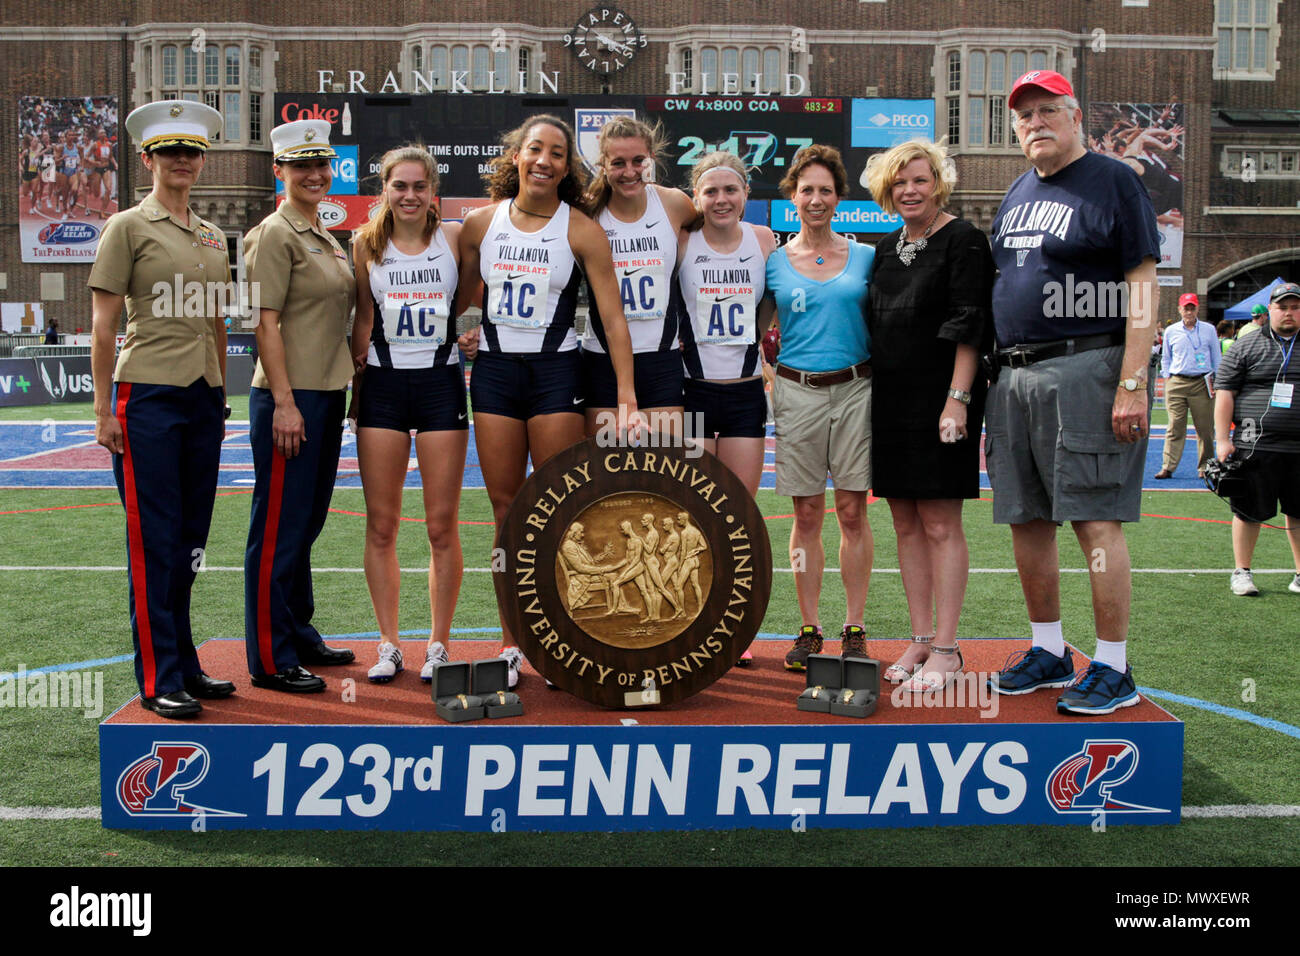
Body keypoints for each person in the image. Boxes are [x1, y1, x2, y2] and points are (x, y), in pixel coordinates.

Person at [985, 70, 1161, 715]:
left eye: (1046, 110)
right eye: (1023, 114)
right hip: (1015, 374)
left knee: (1094, 517)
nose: (1034, 122)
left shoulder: (1113, 179)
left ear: (1075, 114)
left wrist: (1134, 381)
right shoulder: (1017, 191)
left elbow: (1142, 281)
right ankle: (1050, 649)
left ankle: (1113, 665)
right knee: (1027, 518)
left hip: (1087, 365)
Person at [455, 114, 641, 688]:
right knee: (506, 510)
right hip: (493, 378)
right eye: (535, 149)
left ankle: (563, 635)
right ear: (517, 156)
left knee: (561, 509)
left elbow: (613, 318)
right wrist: (466, 329)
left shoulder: (580, 228)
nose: (544, 160)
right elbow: (463, 298)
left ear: (566, 166)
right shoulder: (479, 225)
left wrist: (628, 396)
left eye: (557, 153)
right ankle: (513, 640)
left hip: (557, 374)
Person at [88, 100, 234, 718]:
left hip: (201, 397)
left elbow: (217, 320)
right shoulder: (126, 226)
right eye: (170, 150)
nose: (183, 160)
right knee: (155, 541)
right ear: (147, 158)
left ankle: (184, 661)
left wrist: (222, 389)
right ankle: (157, 675)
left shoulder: (211, 234)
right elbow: (101, 324)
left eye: (192, 151)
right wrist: (103, 411)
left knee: (190, 539)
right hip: (145, 394)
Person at [864, 138, 994, 692]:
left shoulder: (964, 241)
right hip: (890, 399)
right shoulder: (886, 247)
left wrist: (957, 401)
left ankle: (947, 648)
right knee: (904, 522)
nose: (909, 190)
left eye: (919, 180)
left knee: (941, 522)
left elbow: (971, 321)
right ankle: (919, 638)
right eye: (899, 182)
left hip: (944, 399)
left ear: (938, 183)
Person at [243, 119, 357, 693]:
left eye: (322, 165)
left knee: (306, 523)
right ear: (279, 171)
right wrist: (284, 404)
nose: (315, 174)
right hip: (290, 397)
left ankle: (297, 627)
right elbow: (264, 324)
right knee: (280, 527)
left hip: (325, 392)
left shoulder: (322, 234)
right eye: (301, 166)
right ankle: (269, 655)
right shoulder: (274, 233)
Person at [349, 146, 471, 683]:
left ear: (433, 192)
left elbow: (472, 296)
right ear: (386, 190)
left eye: (419, 186)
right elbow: (363, 315)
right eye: (400, 185)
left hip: (441, 384)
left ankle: (438, 643)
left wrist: (471, 334)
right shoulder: (364, 244)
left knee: (442, 526)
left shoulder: (455, 238)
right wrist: (354, 383)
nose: (410, 195)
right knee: (382, 524)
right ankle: (389, 643)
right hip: (383, 386)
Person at [761, 144, 874, 671]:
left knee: (852, 511)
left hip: (856, 389)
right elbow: (753, 326)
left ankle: (855, 626)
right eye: (807, 189)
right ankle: (809, 627)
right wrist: (768, 381)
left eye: (826, 190)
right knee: (806, 512)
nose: (816, 198)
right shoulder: (774, 263)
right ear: (793, 196)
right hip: (797, 391)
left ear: (839, 197)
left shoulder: (867, 257)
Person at [581, 116, 697, 440]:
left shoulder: (674, 204)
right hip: (602, 361)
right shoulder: (588, 214)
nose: (630, 172)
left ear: (652, 160)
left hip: (661, 362)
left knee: (664, 475)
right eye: (618, 163)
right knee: (607, 479)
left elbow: (711, 241)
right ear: (602, 164)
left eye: (638, 161)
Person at [676, 151, 777, 496]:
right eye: (711, 192)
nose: (722, 200)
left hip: (746, 394)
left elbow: (770, 301)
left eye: (730, 190)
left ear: (746, 192)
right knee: (693, 505)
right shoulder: (683, 242)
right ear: (696, 198)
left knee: (738, 506)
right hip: (693, 392)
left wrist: (759, 340)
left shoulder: (763, 239)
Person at [1214, 282, 1300, 596]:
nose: (1289, 312)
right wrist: (1222, 440)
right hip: (1254, 444)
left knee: (1298, 511)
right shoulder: (1245, 345)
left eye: (1295, 307)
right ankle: (1242, 571)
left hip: (1298, 448)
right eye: (1283, 307)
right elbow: (1224, 393)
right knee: (1248, 510)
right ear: (1270, 310)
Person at [1155, 293, 1218, 479]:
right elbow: (1165, 358)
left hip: (1202, 382)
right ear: (1179, 309)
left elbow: (1216, 357)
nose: (1189, 311)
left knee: (1205, 428)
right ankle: (1168, 466)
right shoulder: (1171, 331)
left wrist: (1218, 381)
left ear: (1197, 308)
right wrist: (1168, 378)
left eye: (1192, 307)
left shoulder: (1209, 330)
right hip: (1177, 382)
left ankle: (1205, 466)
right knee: (1174, 426)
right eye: (1186, 307)